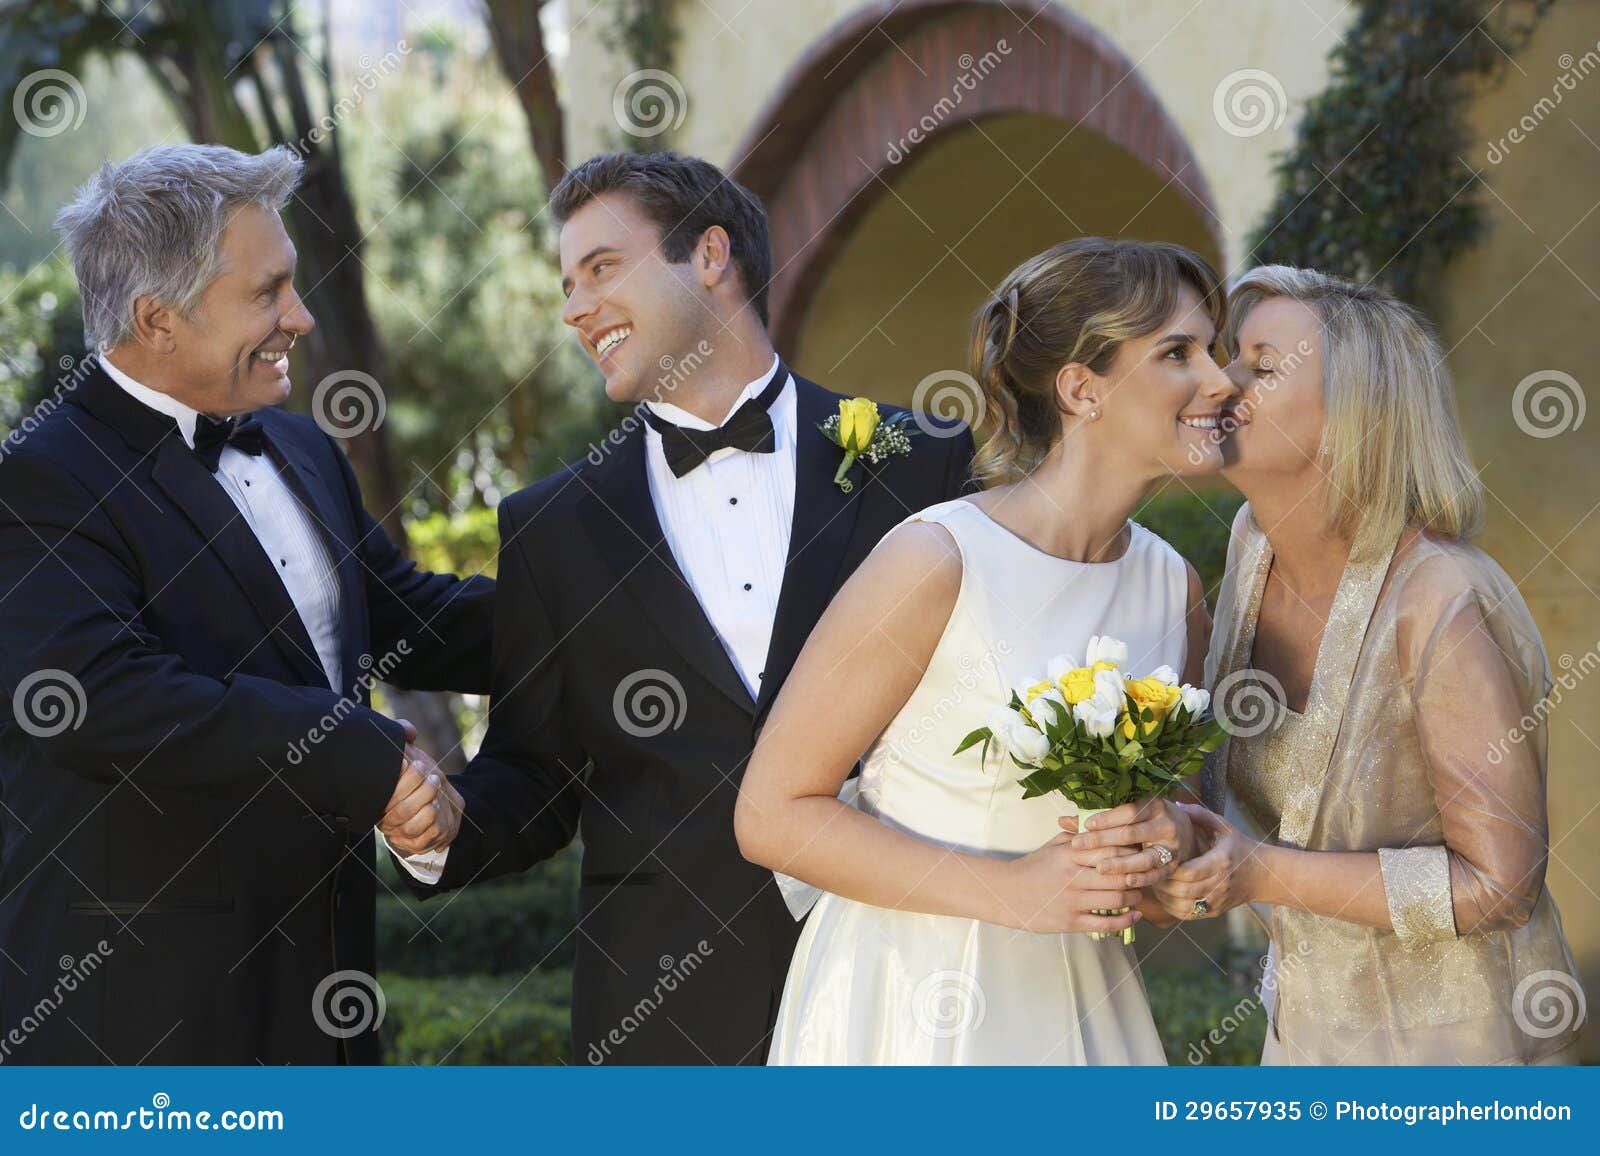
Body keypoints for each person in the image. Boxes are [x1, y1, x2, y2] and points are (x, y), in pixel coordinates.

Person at [386, 151, 975, 1065]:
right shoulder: (551, 527)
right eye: (566, 283)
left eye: (601, 268)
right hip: (665, 1013)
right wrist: (443, 825)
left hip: (908, 980)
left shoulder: (922, 462)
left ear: (709, 256)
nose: (575, 308)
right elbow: (537, 775)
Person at [0, 144, 492, 1064]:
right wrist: (356, 751)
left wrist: (608, 608)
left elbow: (409, 617)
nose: (300, 318)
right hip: (135, 1029)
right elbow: (104, 699)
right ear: (158, 319)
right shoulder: (36, 482)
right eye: (266, 294)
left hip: (326, 1006)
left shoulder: (303, 449)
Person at [737, 237, 1236, 1064]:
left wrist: (1169, 845)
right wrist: (1008, 890)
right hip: (903, 1001)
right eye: (1179, 352)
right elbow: (771, 815)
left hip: (1077, 1000)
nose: (1220, 382)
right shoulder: (935, 560)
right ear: (1082, 389)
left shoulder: (1172, 587)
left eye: (1212, 351)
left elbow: (1171, 835)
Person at [1125, 265, 1583, 1064]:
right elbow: (1216, 806)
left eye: (1260, 367)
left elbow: (1502, 883)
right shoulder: (1252, 544)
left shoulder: (1438, 598)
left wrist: (1259, 872)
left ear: (1354, 420)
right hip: (1300, 1040)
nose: (1219, 380)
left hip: (1456, 1060)